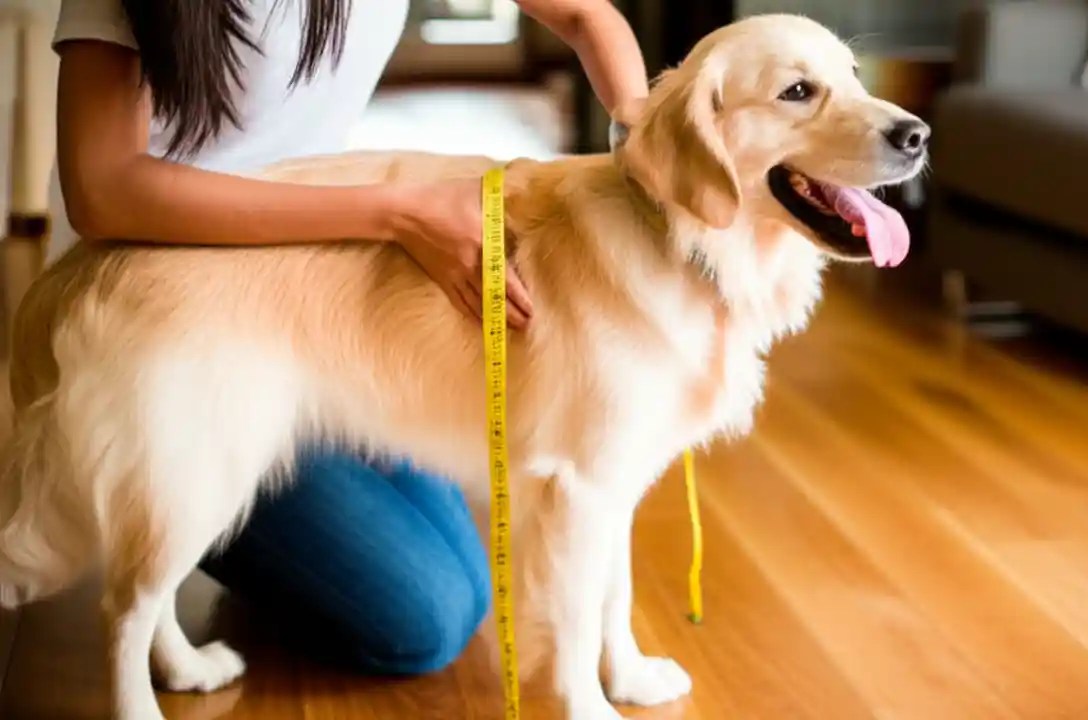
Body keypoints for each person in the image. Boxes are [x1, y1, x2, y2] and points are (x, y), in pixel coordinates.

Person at [49, 0, 648, 675]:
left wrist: (648, 145)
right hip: (164, 322)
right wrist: (394, 213)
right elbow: (102, 192)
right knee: (422, 617)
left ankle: (226, 511)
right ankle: (179, 504)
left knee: (460, 590)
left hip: (318, 294)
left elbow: (585, 16)